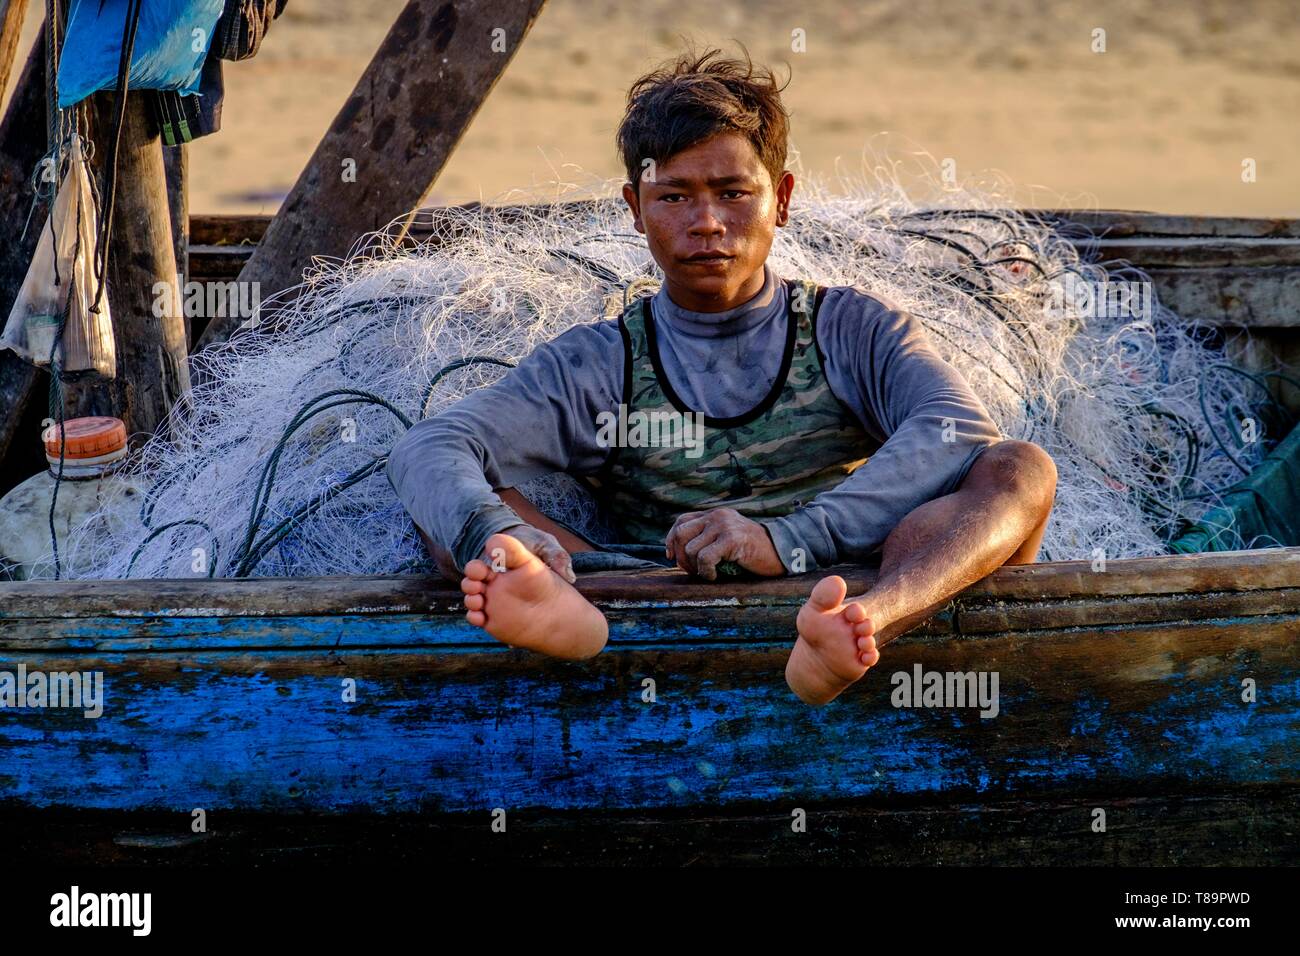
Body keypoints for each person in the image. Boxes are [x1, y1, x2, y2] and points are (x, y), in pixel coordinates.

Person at [386, 47, 1057, 705]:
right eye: (674, 196)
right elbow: (430, 445)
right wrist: (504, 539)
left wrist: (785, 541)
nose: (706, 223)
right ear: (635, 208)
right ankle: (570, 618)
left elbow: (959, 426)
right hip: (655, 599)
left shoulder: (847, 328)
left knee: (1018, 469)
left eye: (733, 193)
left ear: (782, 198)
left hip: (842, 589)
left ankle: (855, 634)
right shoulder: (601, 362)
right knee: (454, 516)